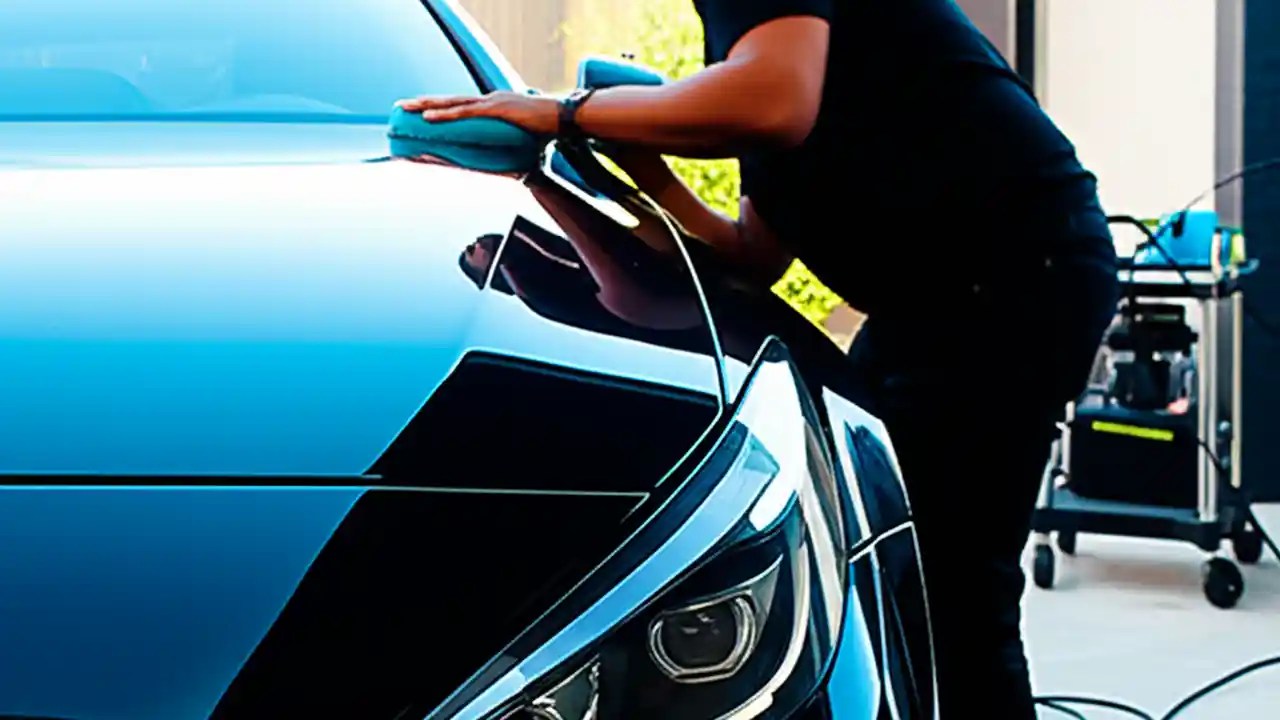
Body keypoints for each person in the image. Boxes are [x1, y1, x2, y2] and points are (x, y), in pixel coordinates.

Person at [400, 0, 1120, 716]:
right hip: (943, 298)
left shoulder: (768, 54)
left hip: (1012, 277)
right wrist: (624, 177)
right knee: (901, 573)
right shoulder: (751, 31)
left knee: (952, 591)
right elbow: (751, 256)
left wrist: (574, 113)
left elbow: (775, 102)